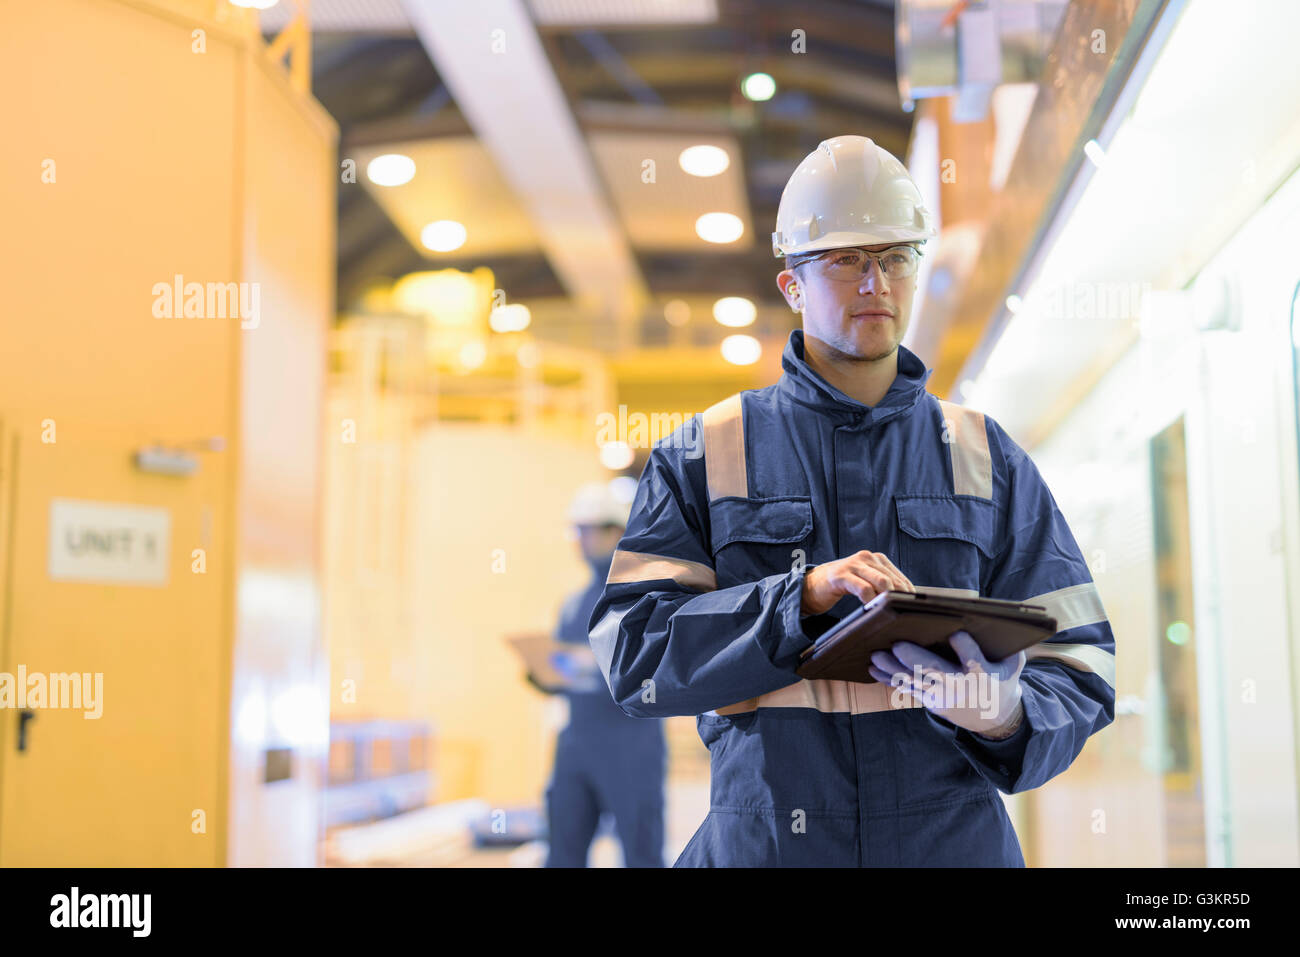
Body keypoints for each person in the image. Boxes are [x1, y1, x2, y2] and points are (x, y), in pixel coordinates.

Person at [587, 135, 1115, 867]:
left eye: (896, 257)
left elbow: (1081, 658)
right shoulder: (707, 452)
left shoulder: (982, 454)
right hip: (768, 844)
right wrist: (795, 599)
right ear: (792, 285)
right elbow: (633, 650)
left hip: (951, 845)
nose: (878, 283)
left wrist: (1003, 715)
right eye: (846, 259)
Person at [530, 481, 666, 868]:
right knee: (562, 852)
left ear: (615, 532)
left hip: (630, 746)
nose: (580, 541)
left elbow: (654, 673)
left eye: (586, 530)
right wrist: (542, 675)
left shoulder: (643, 598)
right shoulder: (573, 604)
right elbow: (563, 671)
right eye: (576, 531)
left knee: (641, 854)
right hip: (576, 744)